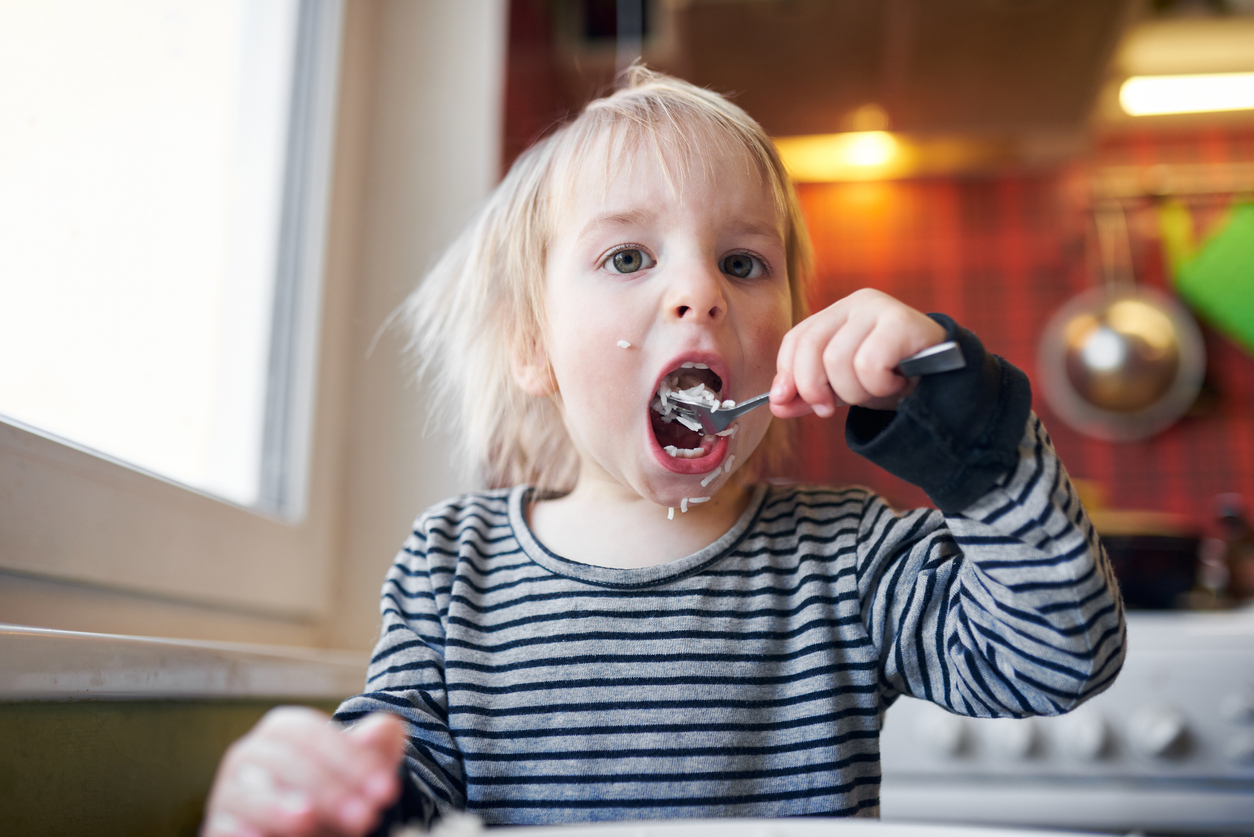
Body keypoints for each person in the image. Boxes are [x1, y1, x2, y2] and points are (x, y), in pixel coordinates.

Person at [203, 67, 1126, 837]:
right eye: (628, 258)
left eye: (742, 262)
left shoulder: (847, 556)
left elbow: (1060, 656)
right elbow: (395, 791)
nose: (700, 290)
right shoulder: (452, 565)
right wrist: (317, 795)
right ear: (533, 344)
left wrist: (964, 419)